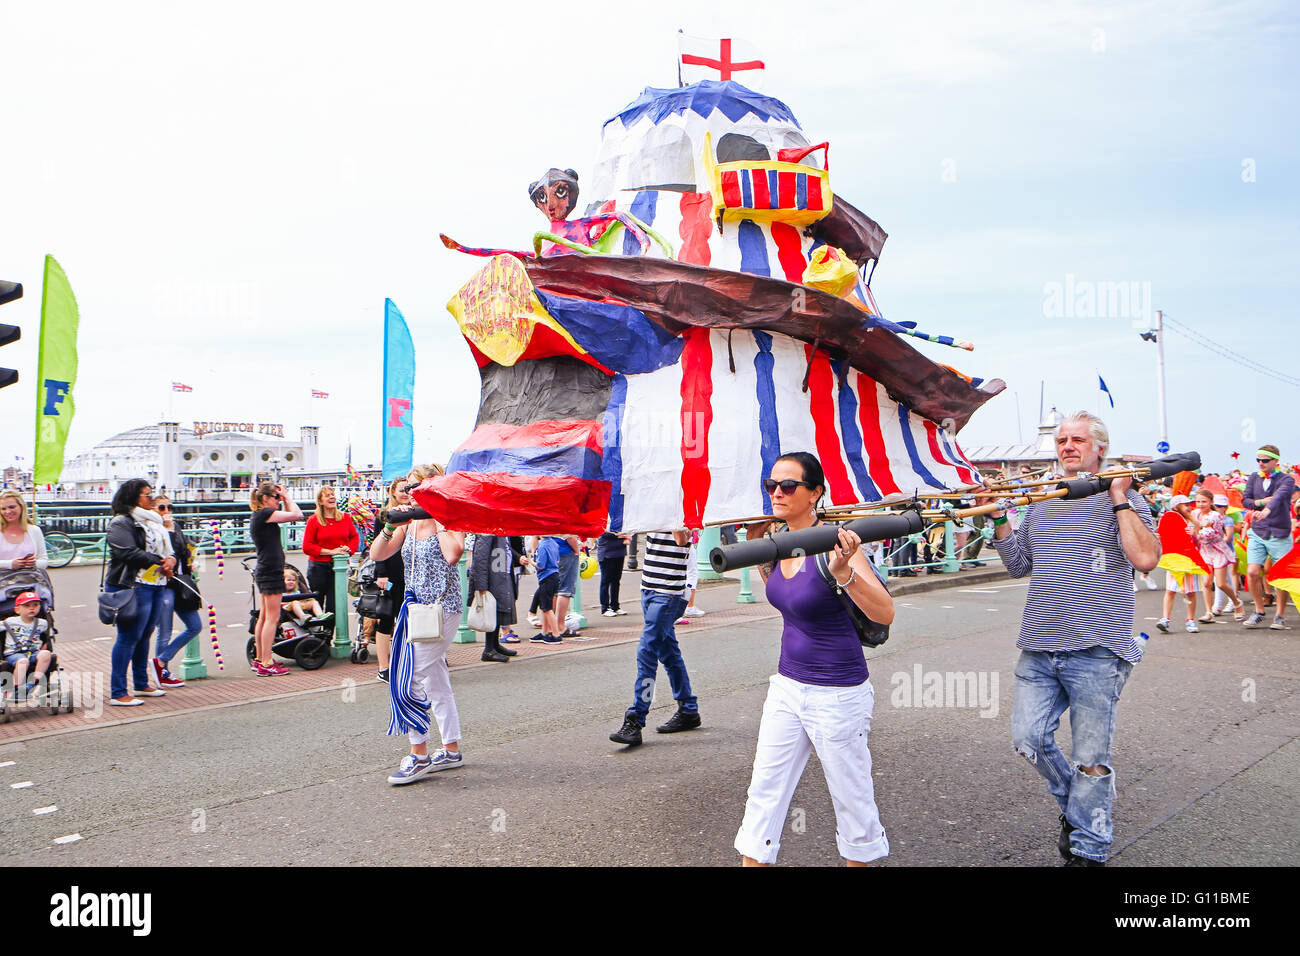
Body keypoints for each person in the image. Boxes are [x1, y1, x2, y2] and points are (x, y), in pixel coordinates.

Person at [984, 411, 1159, 865]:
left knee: (1090, 758)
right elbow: (1020, 564)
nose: (1068, 446)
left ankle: (1089, 850)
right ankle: (1078, 810)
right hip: (1040, 644)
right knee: (1028, 738)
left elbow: (1144, 559)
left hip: (1099, 650)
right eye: (1062, 439)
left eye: (1078, 439)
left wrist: (1120, 495)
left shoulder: (1124, 497)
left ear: (1100, 447)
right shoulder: (1044, 499)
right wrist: (1000, 519)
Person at [733, 452, 894, 866]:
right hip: (787, 686)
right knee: (764, 793)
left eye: (789, 486)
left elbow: (884, 613)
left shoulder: (835, 543)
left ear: (816, 493)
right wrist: (753, 538)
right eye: (772, 485)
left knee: (852, 800)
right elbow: (786, 595)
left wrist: (844, 573)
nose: (777, 493)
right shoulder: (777, 543)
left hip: (838, 694)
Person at [371, 464, 466, 784]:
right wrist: (390, 523)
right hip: (416, 610)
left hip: (443, 608)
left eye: (417, 487)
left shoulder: (450, 516)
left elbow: (453, 554)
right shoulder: (408, 523)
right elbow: (377, 554)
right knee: (436, 682)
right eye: (409, 487)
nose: (410, 492)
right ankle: (451, 749)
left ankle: (419, 754)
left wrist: (437, 515)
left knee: (408, 678)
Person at [608, 527, 700, 747]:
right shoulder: (655, 504)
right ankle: (688, 709)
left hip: (669, 595)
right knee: (669, 653)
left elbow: (681, 540)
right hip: (648, 588)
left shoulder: (683, 506)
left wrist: (671, 516)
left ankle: (636, 718)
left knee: (647, 652)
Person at [104, 479, 177, 705]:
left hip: (155, 583)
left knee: (145, 634)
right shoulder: (121, 522)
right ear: (134, 497)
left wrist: (171, 559)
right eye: (147, 494)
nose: (152, 498)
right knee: (128, 637)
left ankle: (141, 682)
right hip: (131, 584)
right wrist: (160, 562)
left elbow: (168, 548)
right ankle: (118, 691)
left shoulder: (153, 521)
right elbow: (127, 552)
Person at [249, 481, 305, 677]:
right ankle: (266, 661)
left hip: (265, 569)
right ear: (265, 498)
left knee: (264, 617)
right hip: (271, 571)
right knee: (272, 618)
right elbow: (297, 514)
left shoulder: (259, 516)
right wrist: (288, 497)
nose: (278, 501)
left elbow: (291, 516)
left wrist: (283, 497)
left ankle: (260, 658)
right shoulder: (264, 514)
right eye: (275, 497)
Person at [1240, 445, 1295, 629]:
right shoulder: (1254, 478)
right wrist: (1260, 503)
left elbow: (1279, 497)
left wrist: (1267, 510)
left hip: (1279, 533)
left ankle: (1279, 614)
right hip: (1258, 532)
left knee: (1280, 576)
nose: (1261, 463)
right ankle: (1259, 610)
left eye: (1265, 460)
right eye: (1258, 460)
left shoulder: (1286, 479)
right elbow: (1245, 500)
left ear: (1275, 461)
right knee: (1252, 572)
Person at [149, 495, 199, 688]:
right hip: (164, 584)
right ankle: (163, 673)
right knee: (165, 630)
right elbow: (162, 554)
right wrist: (168, 531)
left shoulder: (175, 526)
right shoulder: (153, 529)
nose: (167, 511)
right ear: (153, 509)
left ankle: (161, 660)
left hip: (181, 582)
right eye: (161, 507)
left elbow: (182, 550)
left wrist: (189, 563)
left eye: (170, 506)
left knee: (194, 625)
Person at [364, 478, 410, 683]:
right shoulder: (385, 515)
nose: (405, 493)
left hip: (408, 573)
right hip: (389, 573)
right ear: (393, 492)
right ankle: (384, 666)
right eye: (401, 490)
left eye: (408, 490)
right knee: (386, 618)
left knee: (407, 617)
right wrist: (381, 573)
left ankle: (406, 662)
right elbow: (377, 544)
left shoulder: (414, 514)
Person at [302, 485, 359, 618]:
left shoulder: (345, 517)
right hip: (318, 567)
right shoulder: (313, 520)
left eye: (333, 494)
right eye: (327, 495)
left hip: (338, 566)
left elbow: (354, 537)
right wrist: (331, 552)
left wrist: (348, 550)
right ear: (320, 501)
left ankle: (331, 634)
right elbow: (307, 546)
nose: (332, 497)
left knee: (335, 605)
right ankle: (317, 635)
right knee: (317, 603)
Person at [468, 534, 527, 662]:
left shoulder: (497, 530)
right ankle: (489, 649)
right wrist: (481, 585)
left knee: (500, 609)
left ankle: (494, 645)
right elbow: (480, 558)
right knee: (492, 611)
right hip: (494, 576)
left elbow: (506, 548)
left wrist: (518, 557)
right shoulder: (487, 531)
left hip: (500, 574)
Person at [1190, 488, 1242, 622]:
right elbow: (1190, 526)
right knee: (1206, 583)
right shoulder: (1195, 513)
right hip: (1204, 552)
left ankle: (1237, 602)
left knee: (1220, 584)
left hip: (1218, 551)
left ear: (1211, 502)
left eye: (1204, 501)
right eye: (1198, 501)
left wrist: (1196, 532)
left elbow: (1210, 535)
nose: (1200, 504)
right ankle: (1209, 612)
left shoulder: (1216, 516)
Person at [1155, 495, 1203, 633]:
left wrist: (1194, 535)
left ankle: (1190, 620)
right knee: (1170, 590)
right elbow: (1163, 537)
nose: (1188, 507)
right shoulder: (1169, 519)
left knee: (1190, 592)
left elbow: (1199, 543)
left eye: (1189, 504)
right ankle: (1165, 619)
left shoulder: (1194, 521)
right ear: (1176, 507)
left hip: (1190, 560)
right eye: (1184, 504)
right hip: (1174, 559)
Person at [3, 591, 52, 701]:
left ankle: (34, 682)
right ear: (17, 609)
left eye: (35, 605)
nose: (32, 608)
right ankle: (15, 687)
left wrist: (44, 647)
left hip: (34, 652)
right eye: (27, 606)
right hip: (14, 653)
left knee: (46, 654)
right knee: (23, 661)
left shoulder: (43, 623)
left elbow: (46, 639)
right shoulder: (10, 622)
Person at [529, 536, 564, 644]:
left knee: (547, 608)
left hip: (546, 577)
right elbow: (557, 560)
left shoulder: (543, 545)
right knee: (544, 606)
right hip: (554, 575)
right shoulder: (554, 543)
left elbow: (541, 565)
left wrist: (531, 561)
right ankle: (544, 632)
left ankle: (556, 634)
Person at [0, 492, 47, 570]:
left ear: (21, 507)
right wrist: (10, 564)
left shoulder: (34, 530)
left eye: (12, 507)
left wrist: (34, 563)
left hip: (29, 580)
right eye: (3, 509)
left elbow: (44, 561)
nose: (8, 512)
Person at [552, 534, 583, 637]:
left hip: (549, 549)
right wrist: (576, 551)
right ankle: (560, 626)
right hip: (564, 550)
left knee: (553, 589)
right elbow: (569, 536)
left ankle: (550, 624)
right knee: (565, 590)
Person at [596, 530, 630, 617]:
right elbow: (603, 532)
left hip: (619, 551)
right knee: (606, 581)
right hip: (607, 552)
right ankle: (605, 608)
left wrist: (625, 534)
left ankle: (615, 606)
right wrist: (621, 534)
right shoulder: (605, 518)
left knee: (616, 580)